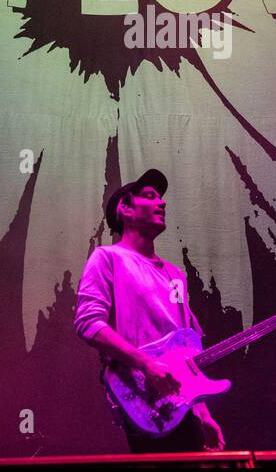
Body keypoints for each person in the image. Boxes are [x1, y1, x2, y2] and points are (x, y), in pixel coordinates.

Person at [73, 168, 226, 453]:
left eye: (161, 198)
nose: (162, 203)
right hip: (143, 396)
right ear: (125, 207)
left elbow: (188, 351)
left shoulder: (175, 275)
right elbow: (88, 322)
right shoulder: (108, 258)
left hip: (182, 404)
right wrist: (147, 364)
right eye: (150, 196)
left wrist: (204, 415)